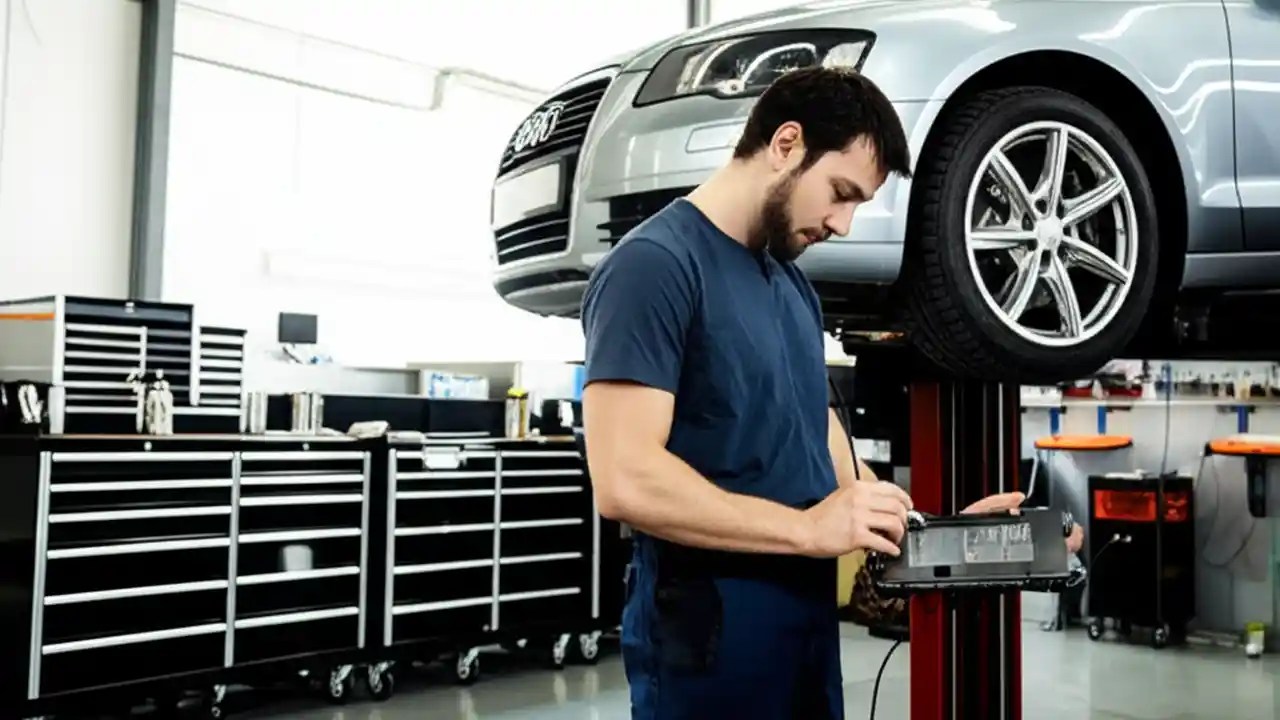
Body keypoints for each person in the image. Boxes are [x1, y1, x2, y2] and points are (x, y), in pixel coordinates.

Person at [579, 67, 1075, 720]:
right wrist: (808, 528)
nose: (841, 223)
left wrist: (935, 534)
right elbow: (625, 479)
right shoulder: (655, 268)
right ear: (786, 144)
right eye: (840, 193)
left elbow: (820, 444)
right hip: (710, 647)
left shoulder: (792, 288)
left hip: (806, 638)